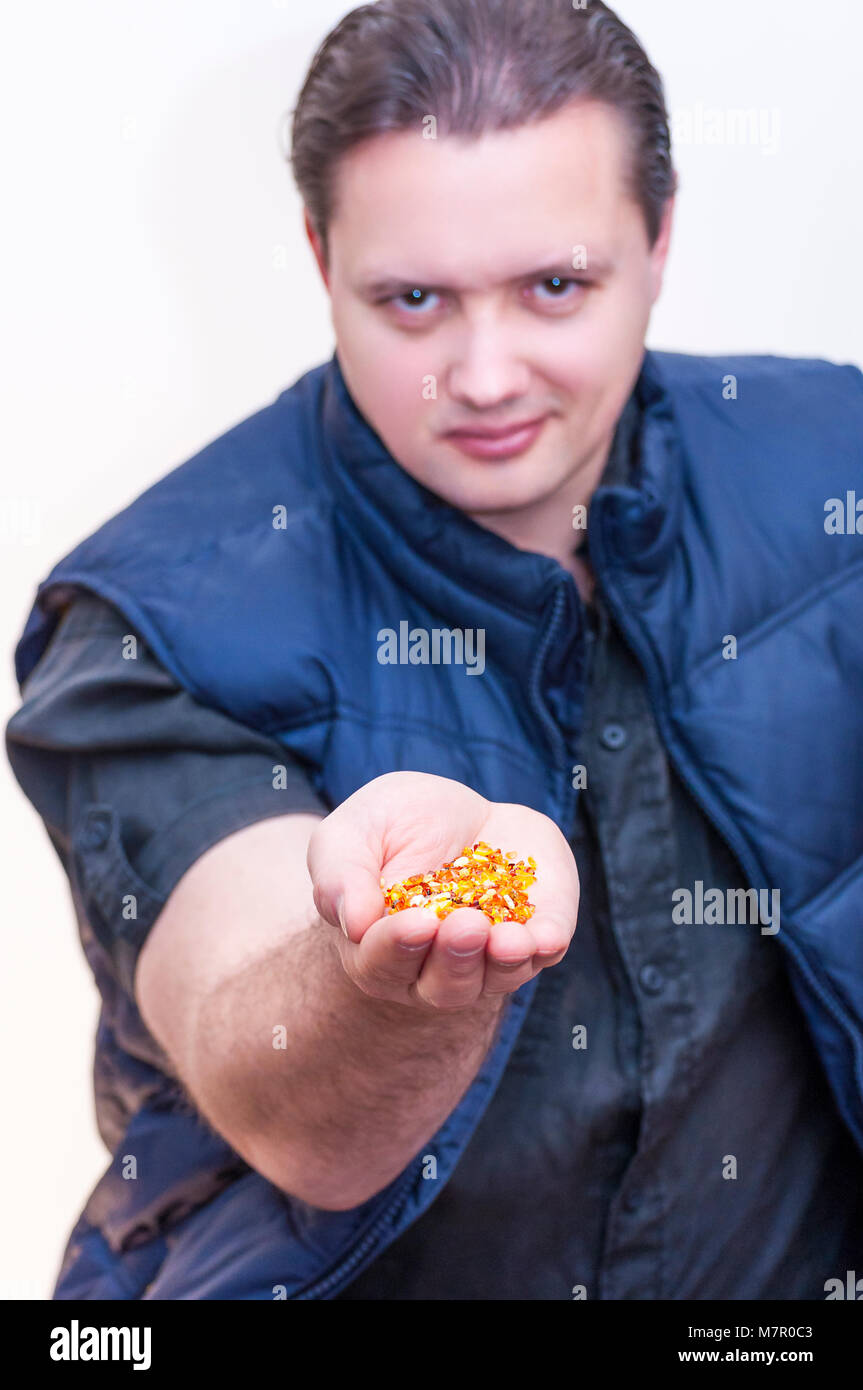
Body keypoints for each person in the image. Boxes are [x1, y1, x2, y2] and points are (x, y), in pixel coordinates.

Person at [7, 0, 863, 1301]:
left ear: (663, 237)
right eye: (413, 301)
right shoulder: (153, 612)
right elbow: (282, 1093)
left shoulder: (832, 466)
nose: (485, 373)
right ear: (318, 255)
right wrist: (386, 965)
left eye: (554, 287)